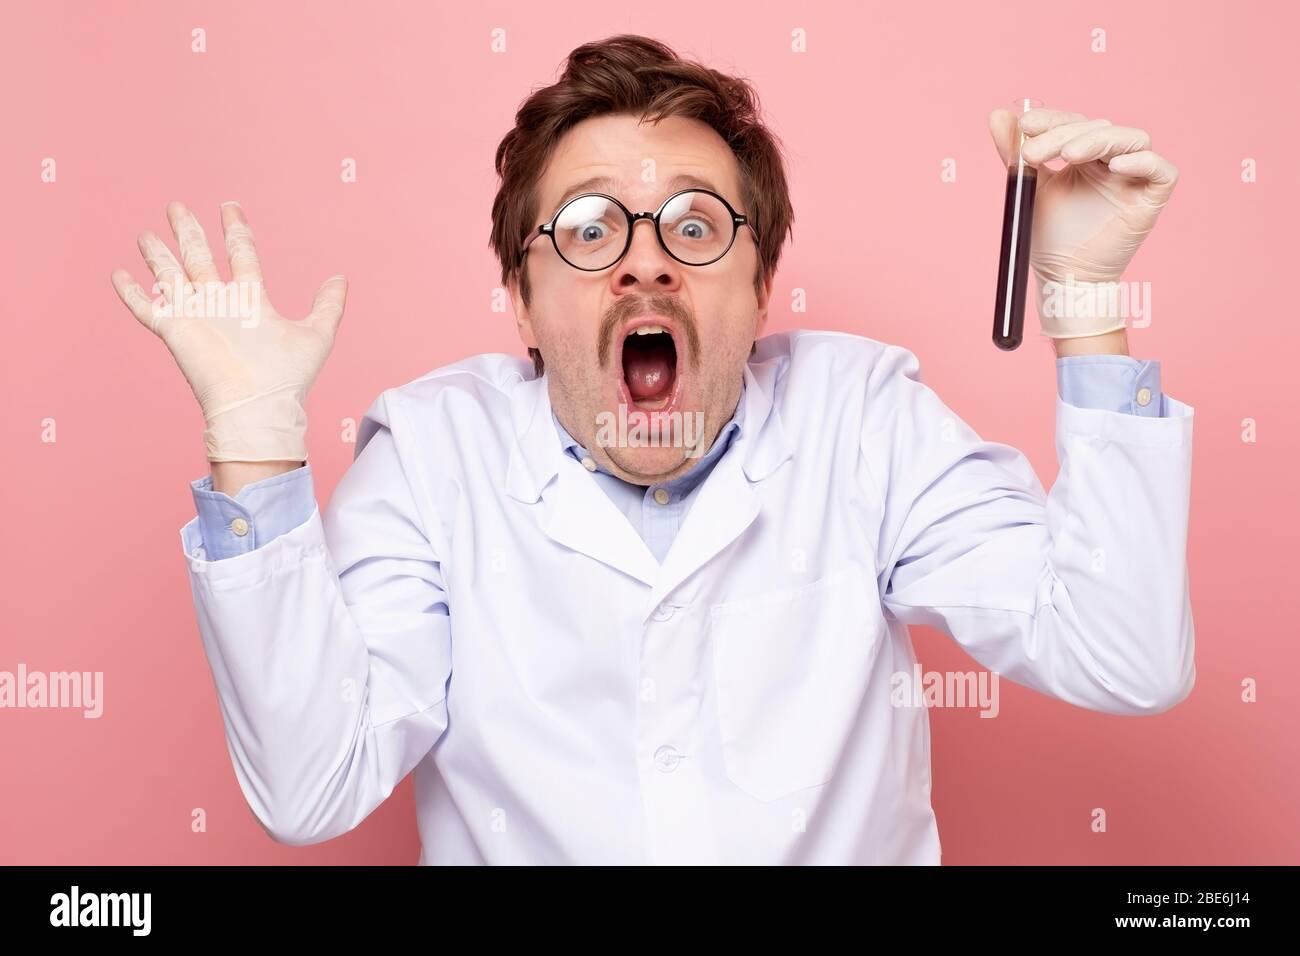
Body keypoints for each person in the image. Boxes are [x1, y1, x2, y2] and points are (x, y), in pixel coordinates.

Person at [110, 35, 1193, 865]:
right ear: (523, 307)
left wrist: (1087, 304)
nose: (645, 266)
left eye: (694, 225)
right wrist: (252, 440)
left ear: (759, 286)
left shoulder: (864, 417)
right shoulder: (433, 452)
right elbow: (312, 783)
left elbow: (1125, 653)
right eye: (588, 229)